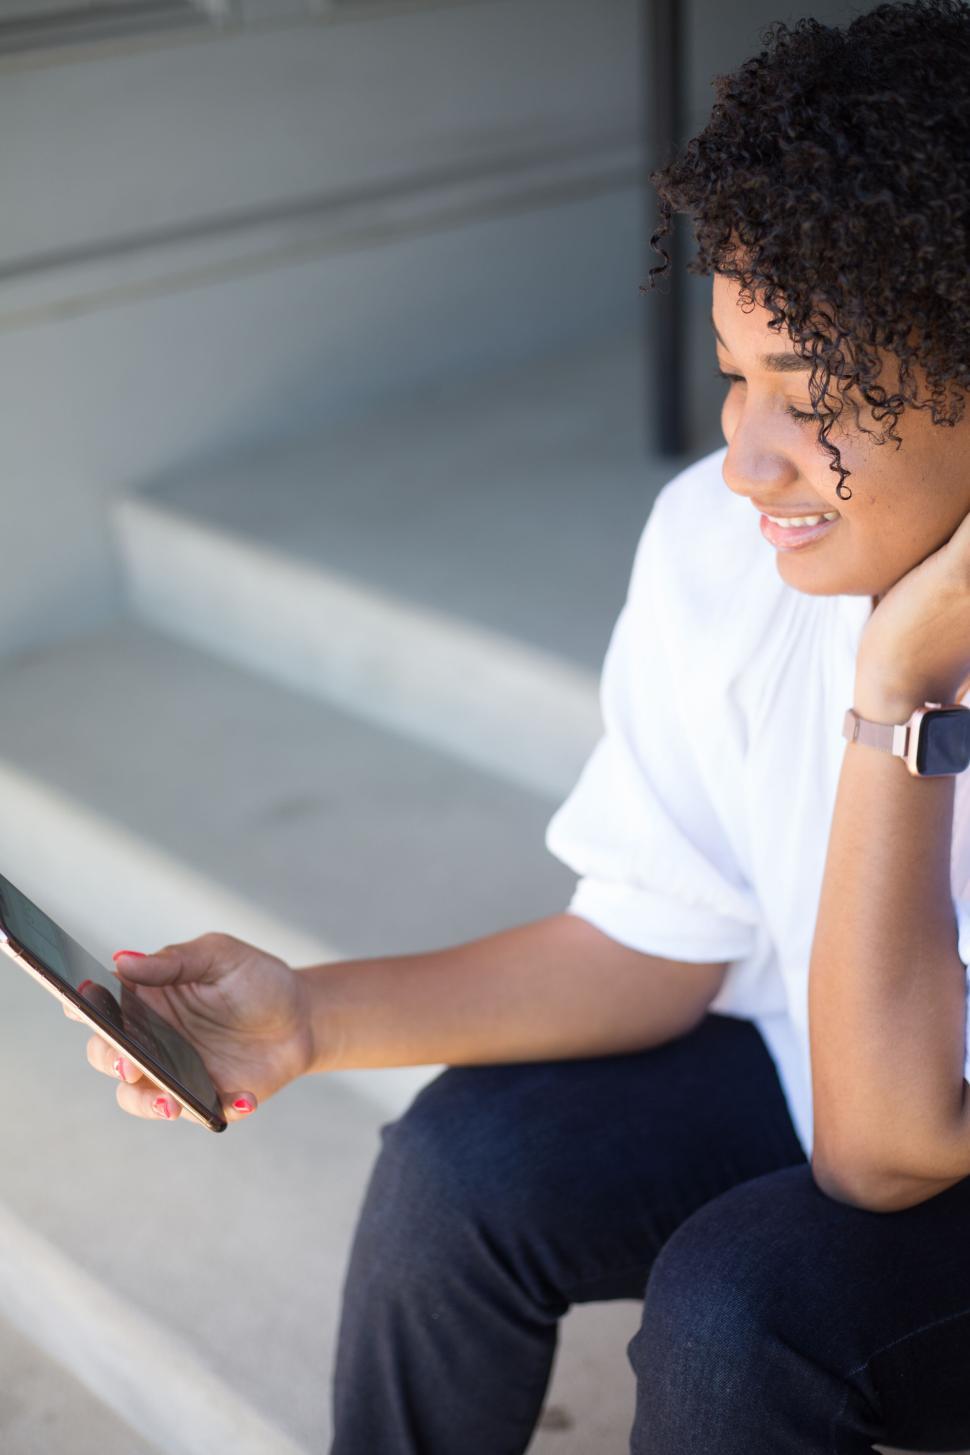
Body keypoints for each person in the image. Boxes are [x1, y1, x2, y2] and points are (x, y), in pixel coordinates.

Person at [72, 1, 970, 1450]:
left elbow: (890, 1152)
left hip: (922, 1133)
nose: (747, 458)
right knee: (458, 1166)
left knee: (738, 1309)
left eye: (813, 403)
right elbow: (657, 938)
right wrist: (305, 1019)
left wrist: (898, 702)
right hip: (835, 1073)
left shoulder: (878, 644)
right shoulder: (716, 547)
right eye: (738, 374)